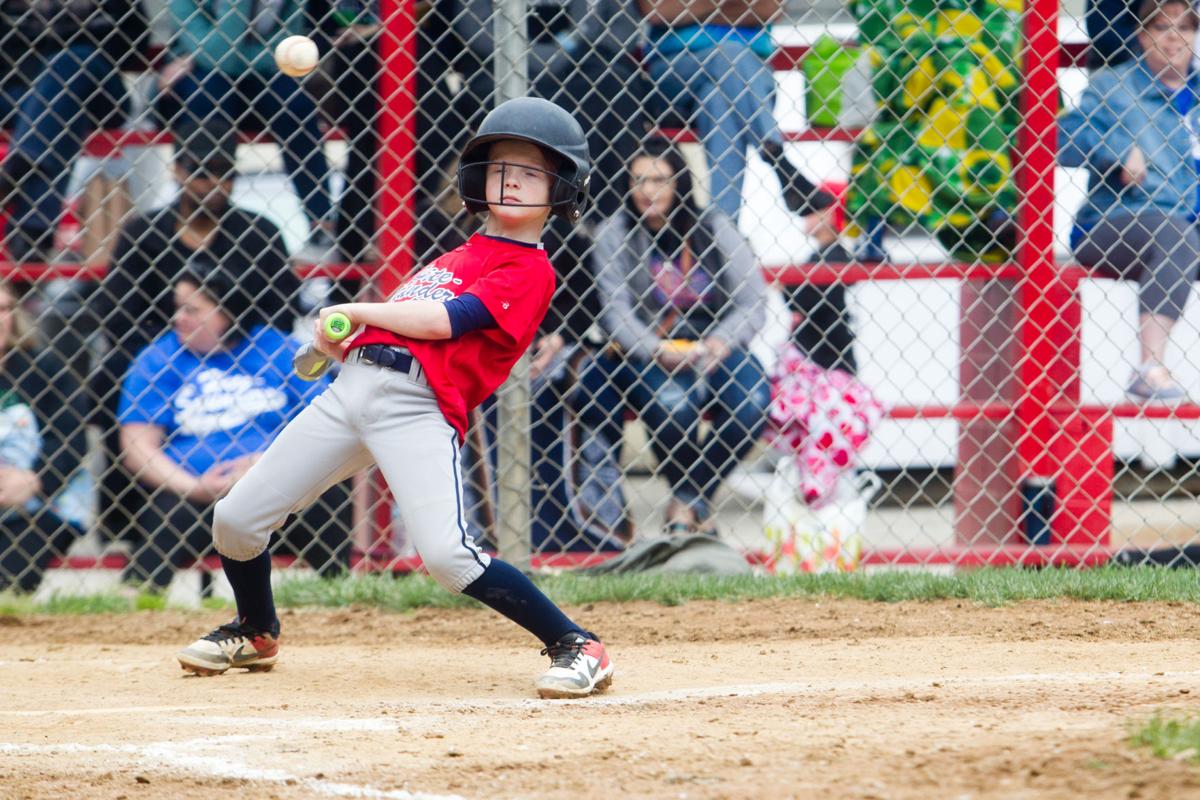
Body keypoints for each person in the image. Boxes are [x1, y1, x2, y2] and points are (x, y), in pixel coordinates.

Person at [175, 97, 616, 700]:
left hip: (417, 408)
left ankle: (577, 644)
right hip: (349, 391)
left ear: (562, 187)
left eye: (531, 172)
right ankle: (255, 630)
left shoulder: (529, 268)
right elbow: (397, 324)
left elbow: (444, 322)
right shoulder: (458, 255)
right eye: (500, 168)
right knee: (236, 518)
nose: (510, 180)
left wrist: (354, 309)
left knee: (447, 556)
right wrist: (344, 341)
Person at [88, 120, 300, 545]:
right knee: (112, 376)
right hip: (161, 354)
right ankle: (126, 513)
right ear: (178, 171)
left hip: (244, 350)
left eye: (223, 172)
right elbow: (116, 313)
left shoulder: (257, 233)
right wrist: (172, 353)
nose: (212, 183)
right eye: (201, 170)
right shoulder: (144, 232)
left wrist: (231, 342)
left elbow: (281, 310)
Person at [577, 138, 771, 535]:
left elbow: (752, 301)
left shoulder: (712, 226)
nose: (650, 190)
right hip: (650, 347)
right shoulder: (614, 232)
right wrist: (653, 349)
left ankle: (687, 501)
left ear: (679, 182)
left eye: (661, 180)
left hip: (713, 342)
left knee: (752, 402)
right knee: (672, 404)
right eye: (640, 180)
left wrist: (720, 342)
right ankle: (691, 510)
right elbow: (615, 312)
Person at [118, 268, 348, 590]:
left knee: (328, 500)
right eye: (177, 308)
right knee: (168, 515)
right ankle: (138, 603)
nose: (178, 318)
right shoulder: (159, 358)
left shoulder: (279, 349)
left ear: (226, 312)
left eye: (191, 309)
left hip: (280, 487)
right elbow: (136, 446)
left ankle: (345, 596)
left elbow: (327, 423)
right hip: (196, 497)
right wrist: (195, 486)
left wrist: (266, 465)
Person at [1061, 0, 1200, 401]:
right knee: (1175, 236)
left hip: (1186, 224)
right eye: (1161, 28)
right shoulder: (1114, 86)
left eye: (1185, 29)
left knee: (1181, 235)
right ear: (1141, 36)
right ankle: (1149, 368)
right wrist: (1115, 150)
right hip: (1115, 221)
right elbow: (1058, 139)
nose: (1174, 38)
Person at [155, 0, 337, 260]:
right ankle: (197, 221)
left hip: (261, 78)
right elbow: (219, 54)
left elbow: (287, 45)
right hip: (207, 79)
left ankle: (321, 224)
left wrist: (239, 58)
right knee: (208, 98)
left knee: (296, 106)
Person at [639, 0, 833, 222]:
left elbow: (769, 8)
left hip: (748, 80)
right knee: (730, 54)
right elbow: (657, 10)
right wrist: (735, 6)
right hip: (677, 73)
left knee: (718, 99)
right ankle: (777, 160)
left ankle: (722, 235)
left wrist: (693, 10)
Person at [0, 0, 150, 262]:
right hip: (24, 90)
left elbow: (135, 45)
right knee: (59, 106)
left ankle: (23, 170)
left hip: (93, 84)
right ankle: (34, 226)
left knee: (69, 64)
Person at [0, 280, 90, 594]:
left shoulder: (44, 369)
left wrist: (35, 479)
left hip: (38, 503)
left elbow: (72, 438)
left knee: (13, 570)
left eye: (4, 309)